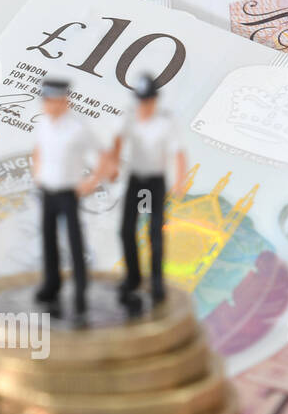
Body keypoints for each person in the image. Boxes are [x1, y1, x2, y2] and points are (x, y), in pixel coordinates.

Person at [30, 78, 111, 315]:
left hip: (68, 191)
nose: (48, 106)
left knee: (74, 239)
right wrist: (37, 172)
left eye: (53, 102)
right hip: (47, 190)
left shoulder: (77, 128)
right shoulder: (44, 124)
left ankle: (80, 286)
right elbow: (38, 148)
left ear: (64, 102)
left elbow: (104, 155)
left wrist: (92, 182)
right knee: (48, 239)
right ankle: (52, 284)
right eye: (46, 102)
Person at [111, 73, 184, 304]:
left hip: (155, 181)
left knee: (154, 232)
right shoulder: (130, 117)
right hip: (135, 179)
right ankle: (133, 277)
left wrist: (180, 181)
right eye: (141, 100)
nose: (144, 104)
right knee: (125, 230)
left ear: (154, 100)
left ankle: (156, 281)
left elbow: (178, 153)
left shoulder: (165, 122)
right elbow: (118, 139)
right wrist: (113, 162)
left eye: (148, 100)